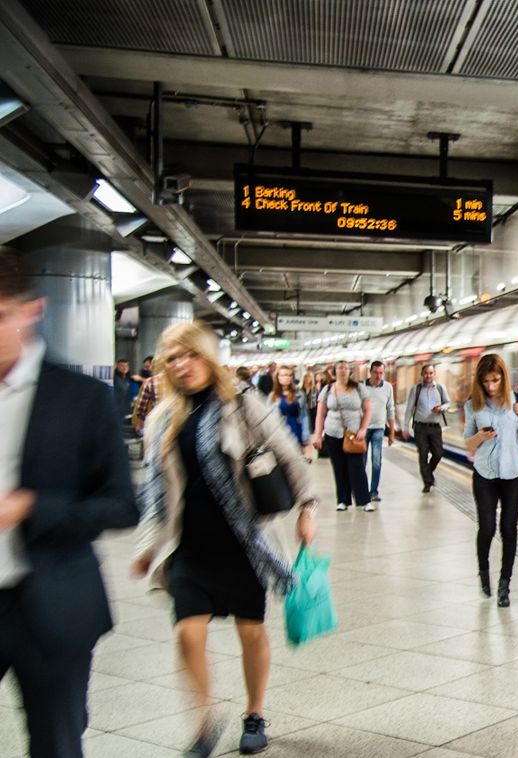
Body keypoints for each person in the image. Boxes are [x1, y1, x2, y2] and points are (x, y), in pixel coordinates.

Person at [133, 322, 317, 758]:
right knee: (187, 633)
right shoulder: (161, 420)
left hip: (243, 542)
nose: (183, 365)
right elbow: (155, 492)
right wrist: (147, 545)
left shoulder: (242, 403)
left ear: (208, 357)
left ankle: (254, 714)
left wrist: (308, 507)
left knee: (250, 631)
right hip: (189, 546)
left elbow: (288, 454)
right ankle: (204, 723)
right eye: (173, 358)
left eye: (191, 355)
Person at [0, 248, 137, 758]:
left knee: (56, 744)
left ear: (32, 310)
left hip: (52, 605)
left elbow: (121, 505)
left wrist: (31, 507)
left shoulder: (81, 398)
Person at [463, 354, 518, 607]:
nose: (491, 386)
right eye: (486, 381)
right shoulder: (473, 405)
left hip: (514, 474)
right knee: (487, 528)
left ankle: (505, 584)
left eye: (495, 380)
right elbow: (468, 443)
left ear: (503, 378)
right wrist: (480, 437)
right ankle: (483, 572)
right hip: (484, 474)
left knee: (509, 528)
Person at [311, 362, 373, 512]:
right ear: (335, 372)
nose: (343, 370)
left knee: (357, 466)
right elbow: (320, 414)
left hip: (354, 434)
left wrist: (363, 428)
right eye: (340, 368)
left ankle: (364, 500)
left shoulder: (359, 388)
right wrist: (318, 434)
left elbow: (368, 409)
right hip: (332, 433)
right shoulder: (327, 389)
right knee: (339, 468)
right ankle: (343, 500)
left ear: (349, 371)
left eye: (346, 368)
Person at [405, 364, 450, 492]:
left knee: (438, 454)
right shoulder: (416, 389)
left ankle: (428, 473)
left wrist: (442, 408)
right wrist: (405, 427)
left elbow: (448, 402)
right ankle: (427, 483)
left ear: (434, 374)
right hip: (420, 428)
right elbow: (409, 409)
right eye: (426, 373)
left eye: (431, 373)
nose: (428, 376)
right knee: (423, 455)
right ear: (422, 374)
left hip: (435, 427)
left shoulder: (440, 388)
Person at [364, 360, 397, 502]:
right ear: (370, 372)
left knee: (376, 461)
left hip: (379, 428)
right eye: (375, 373)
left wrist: (392, 433)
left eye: (381, 373)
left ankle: (373, 492)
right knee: (361, 462)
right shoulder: (361, 387)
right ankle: (362, 490)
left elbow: (391, 409)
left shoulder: (388, 387)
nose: (378, 376)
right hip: (363, 429)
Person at [269, 365, 309, 451]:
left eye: (290, 375)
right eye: (284, 375)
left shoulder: (299, 394)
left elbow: (305, 415)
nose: (287, 378)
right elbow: (268, 418)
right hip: (280, 431)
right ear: (278, 377)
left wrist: (306, 434)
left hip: (296, 429)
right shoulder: (272, 396)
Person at [132, 369, 161, 434]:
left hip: (156, 422)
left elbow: (142, 406)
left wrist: (139, 423)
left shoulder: (151, 382)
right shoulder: (176, 380)